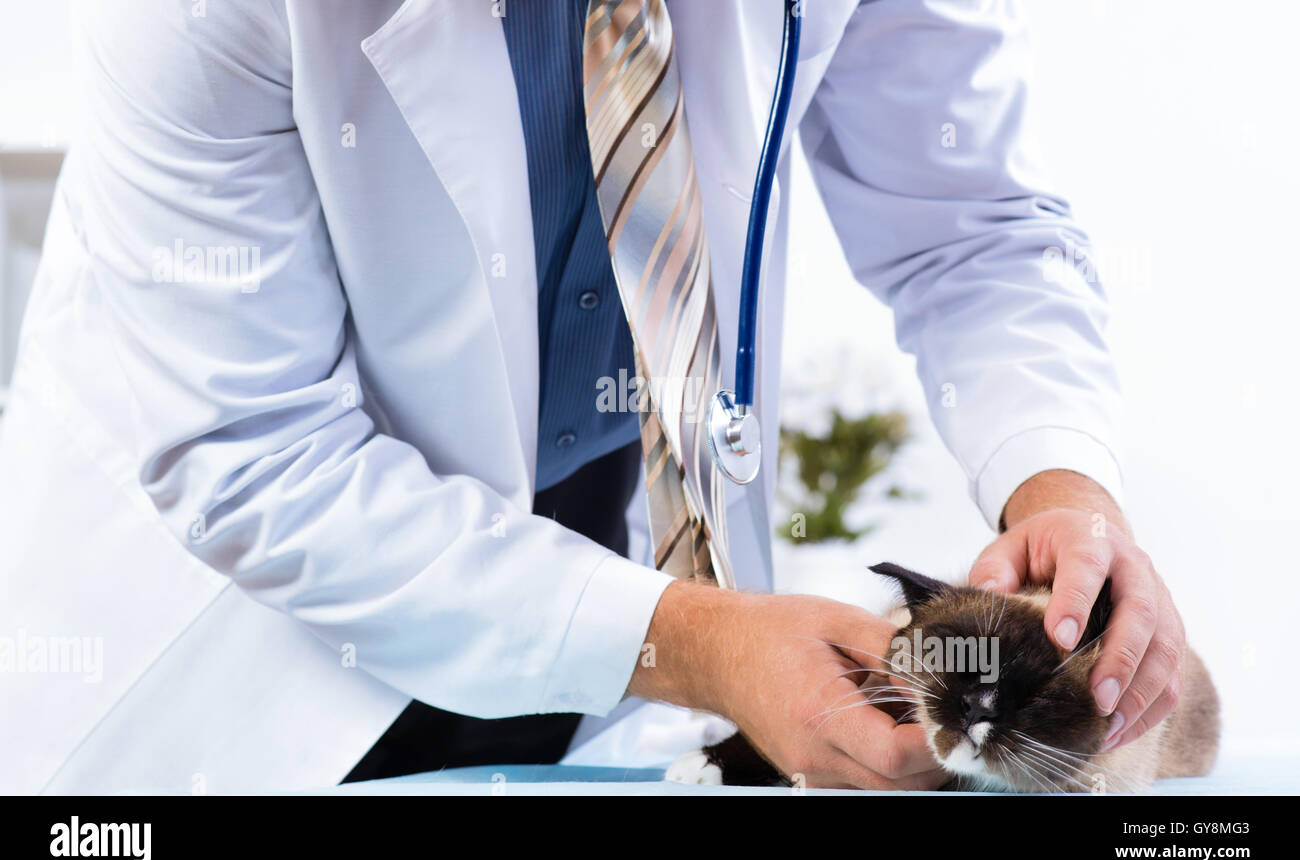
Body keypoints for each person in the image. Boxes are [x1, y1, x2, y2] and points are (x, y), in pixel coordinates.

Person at [0, 0, 1185, 793]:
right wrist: (700, 646)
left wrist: (1062, 480)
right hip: (237, 632)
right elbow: (254, 455)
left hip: (597, 542)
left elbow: (971, 224)